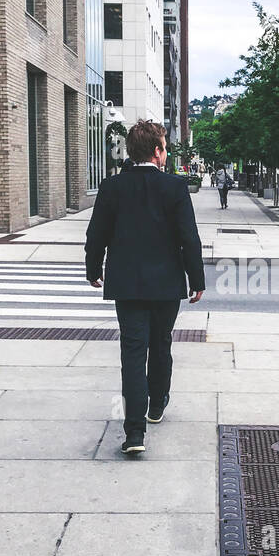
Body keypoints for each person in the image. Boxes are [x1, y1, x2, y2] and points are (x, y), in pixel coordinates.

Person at [85, 120, 205, 457]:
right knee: (161, 343)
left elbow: (97, 236)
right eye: (164, 147)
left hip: (127, 284)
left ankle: (134, 432)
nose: (166, 153)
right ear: (156, 151)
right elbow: (189, 240)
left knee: (133, 353)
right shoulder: (174, 188)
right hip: (166, 284)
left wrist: (93, 269)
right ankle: (157, 403)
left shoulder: (112, 188)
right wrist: (196, 280)